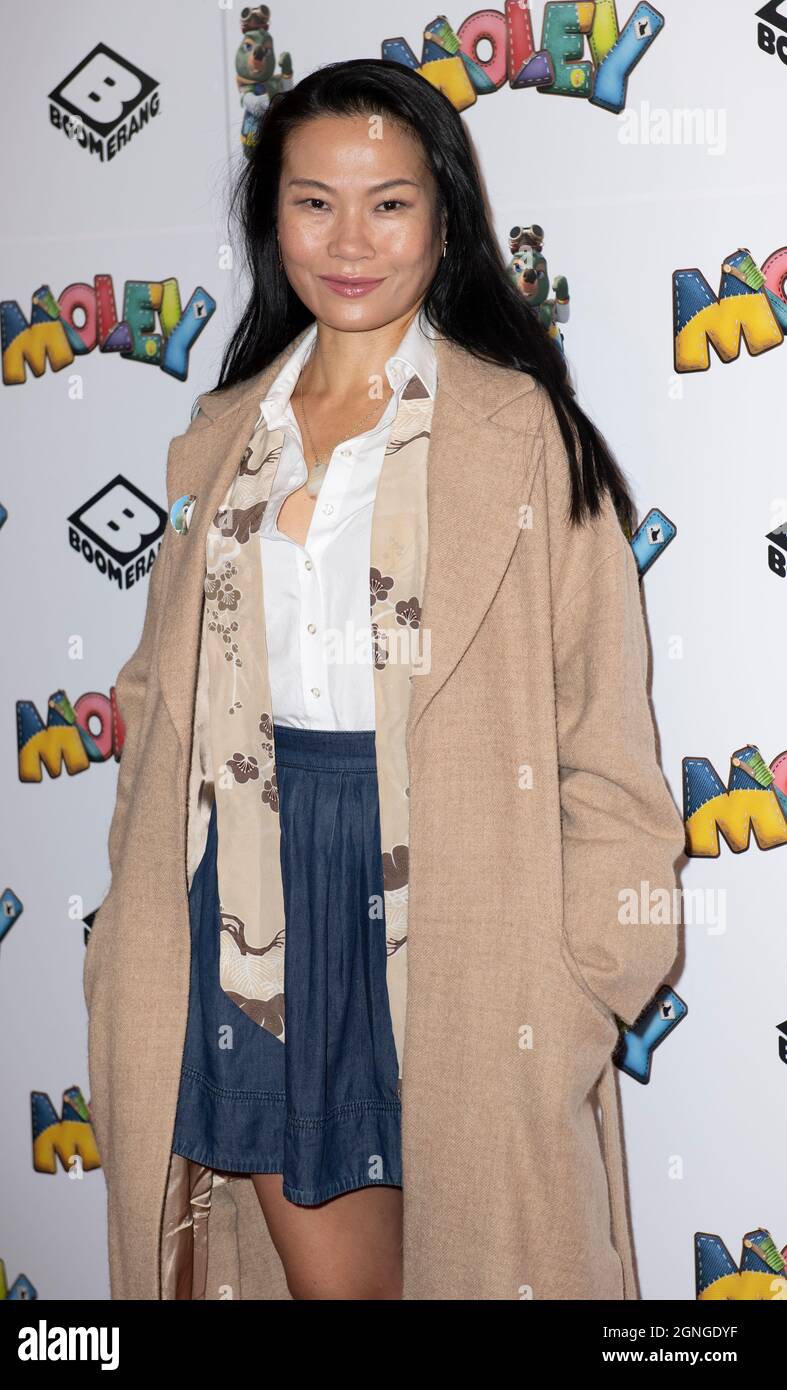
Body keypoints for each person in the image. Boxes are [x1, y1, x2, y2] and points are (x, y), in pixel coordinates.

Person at [83, 58, 684, 1302]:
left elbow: (607, 744)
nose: (349, 240)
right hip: (255, 903)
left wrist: (581, 983)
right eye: (314, 202)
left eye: (389, 203)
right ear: (273, 218)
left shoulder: (527, 437)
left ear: (445, 218)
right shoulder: (216, 436)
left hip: (463, 904)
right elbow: (155, 700)